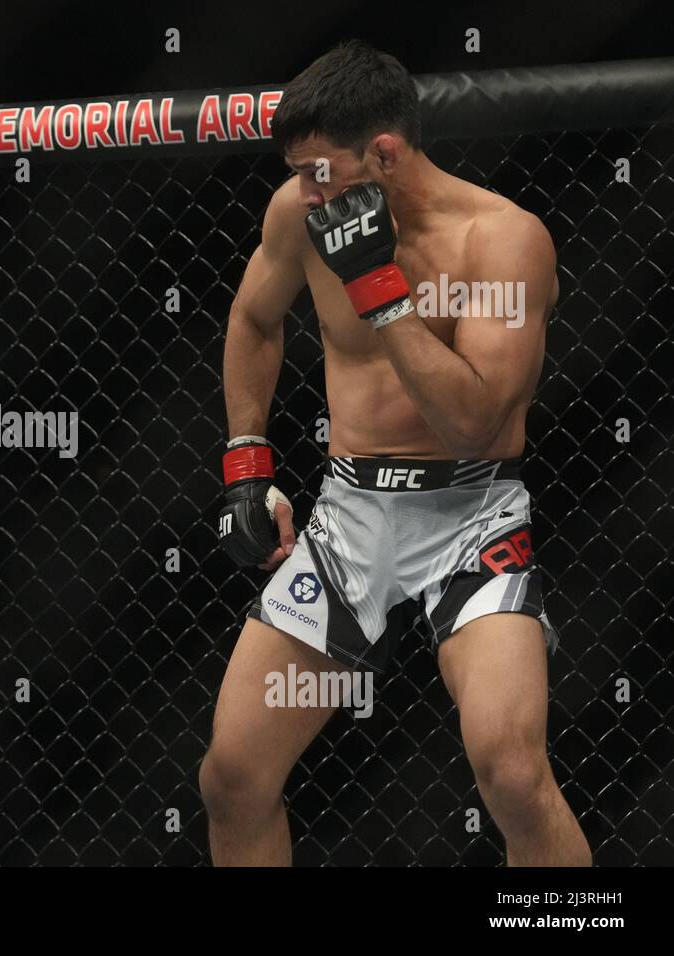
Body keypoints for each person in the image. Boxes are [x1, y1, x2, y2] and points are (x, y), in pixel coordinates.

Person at [200, 40, 590, 866]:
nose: (310, 190)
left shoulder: (504, 241)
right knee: (231, 775)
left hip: (472, 515)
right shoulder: (299, 213)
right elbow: (253, 320)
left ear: (383, 153)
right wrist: (248, 464)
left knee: (513, 774)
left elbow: (476, 426)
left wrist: (380, 290)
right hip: (351, 516)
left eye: (319, 170)